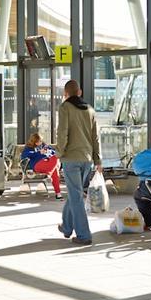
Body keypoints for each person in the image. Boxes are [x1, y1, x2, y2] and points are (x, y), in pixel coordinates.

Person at [56, 79, 101, 246]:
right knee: (75, 193)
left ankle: (84, 235)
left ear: (65, 94)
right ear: (80, 92)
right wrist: (98, 159)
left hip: (71, 158)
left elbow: (62, 134)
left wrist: (58, 154)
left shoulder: (65, 108)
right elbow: (95, 137)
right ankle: (67, 227)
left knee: (75, 195)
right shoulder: (90, 110)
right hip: (87, 159)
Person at [22, 133, 63, 199]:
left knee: (55, 160)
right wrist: (39, 153)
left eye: (40, 141)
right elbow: (25, 155)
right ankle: (57, 192)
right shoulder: (29, 147)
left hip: (48, 165)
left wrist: (48, 151)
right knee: (55, 170)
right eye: (37, 142)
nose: (40, 143)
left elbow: (53, 152)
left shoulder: (44, 145)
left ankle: (58, 193)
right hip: (37, 164)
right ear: (33, 142)